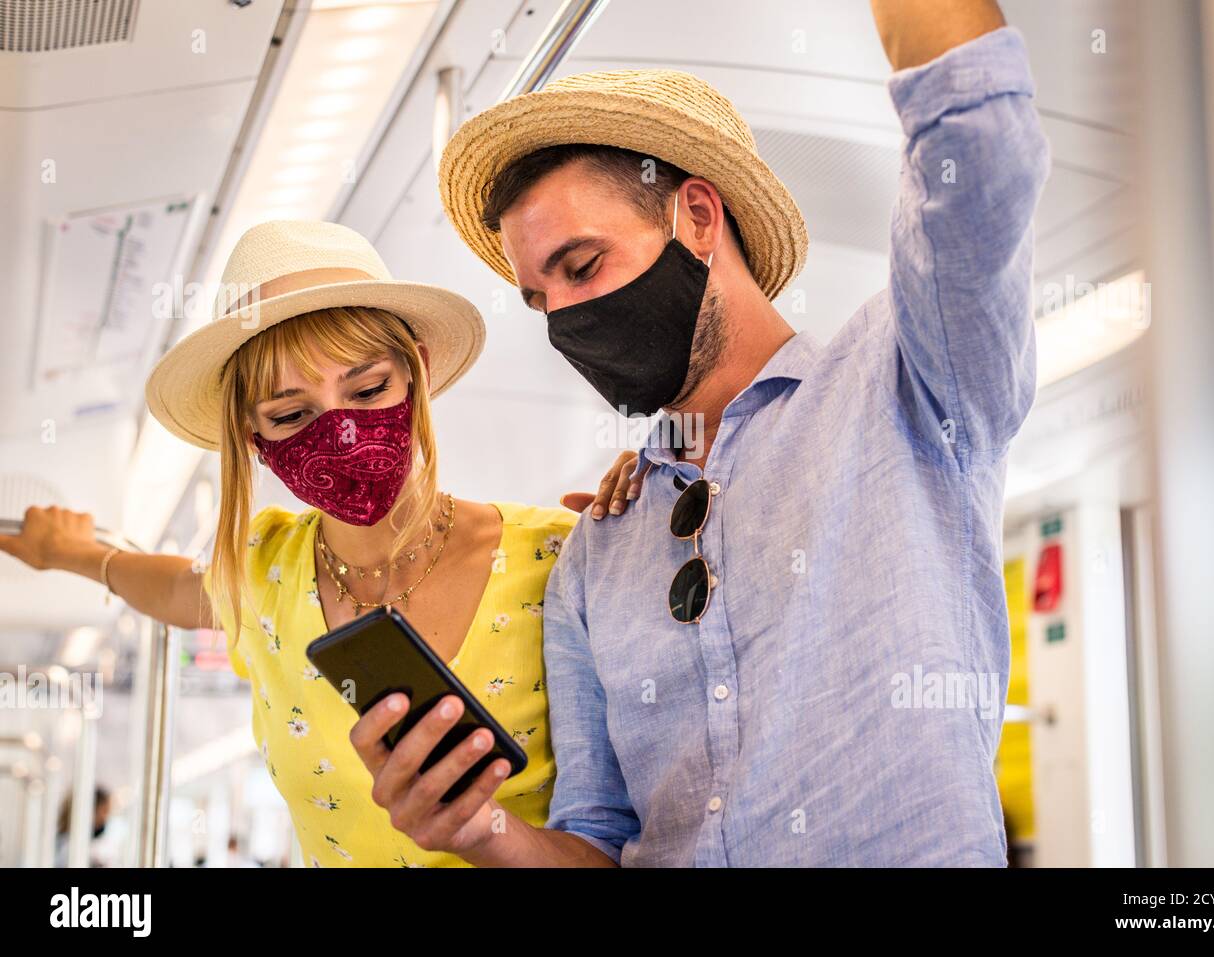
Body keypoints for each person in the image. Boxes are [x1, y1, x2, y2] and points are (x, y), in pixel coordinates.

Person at [352, 0, 1051, 866]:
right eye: (541, 300)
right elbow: (598, 839)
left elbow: (980, 154)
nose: (566, 318)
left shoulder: (905, 381)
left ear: (697, 216)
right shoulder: (597, 555)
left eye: (581, 266)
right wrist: (478, 828)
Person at [0, 220, 638, 867]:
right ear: (254, 439)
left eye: (366, 390)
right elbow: (171, 586)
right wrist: (71, 553)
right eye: (289, 414)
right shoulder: (262, 575)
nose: (342, 433)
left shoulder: (560, 558)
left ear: (415, 371)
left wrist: (662, 491)